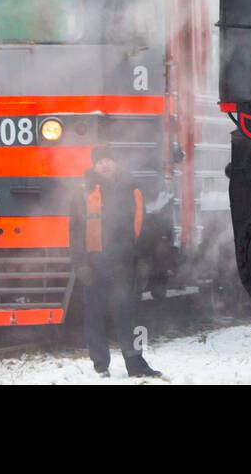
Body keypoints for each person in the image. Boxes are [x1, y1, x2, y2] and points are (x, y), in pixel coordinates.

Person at [78, 157, 161, 378]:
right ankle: (100, 365)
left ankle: (135, 364)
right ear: (93, 166)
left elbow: (142, 225)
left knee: (127, 314)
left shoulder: (131, 189)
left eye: (108, 160)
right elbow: (75, 231)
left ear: (115, 163)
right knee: (94, 316)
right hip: (94, 265)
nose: (105, 165)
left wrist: (142, 259)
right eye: (99, 162)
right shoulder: (84, 192)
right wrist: (80, 264)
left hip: (123, 263)